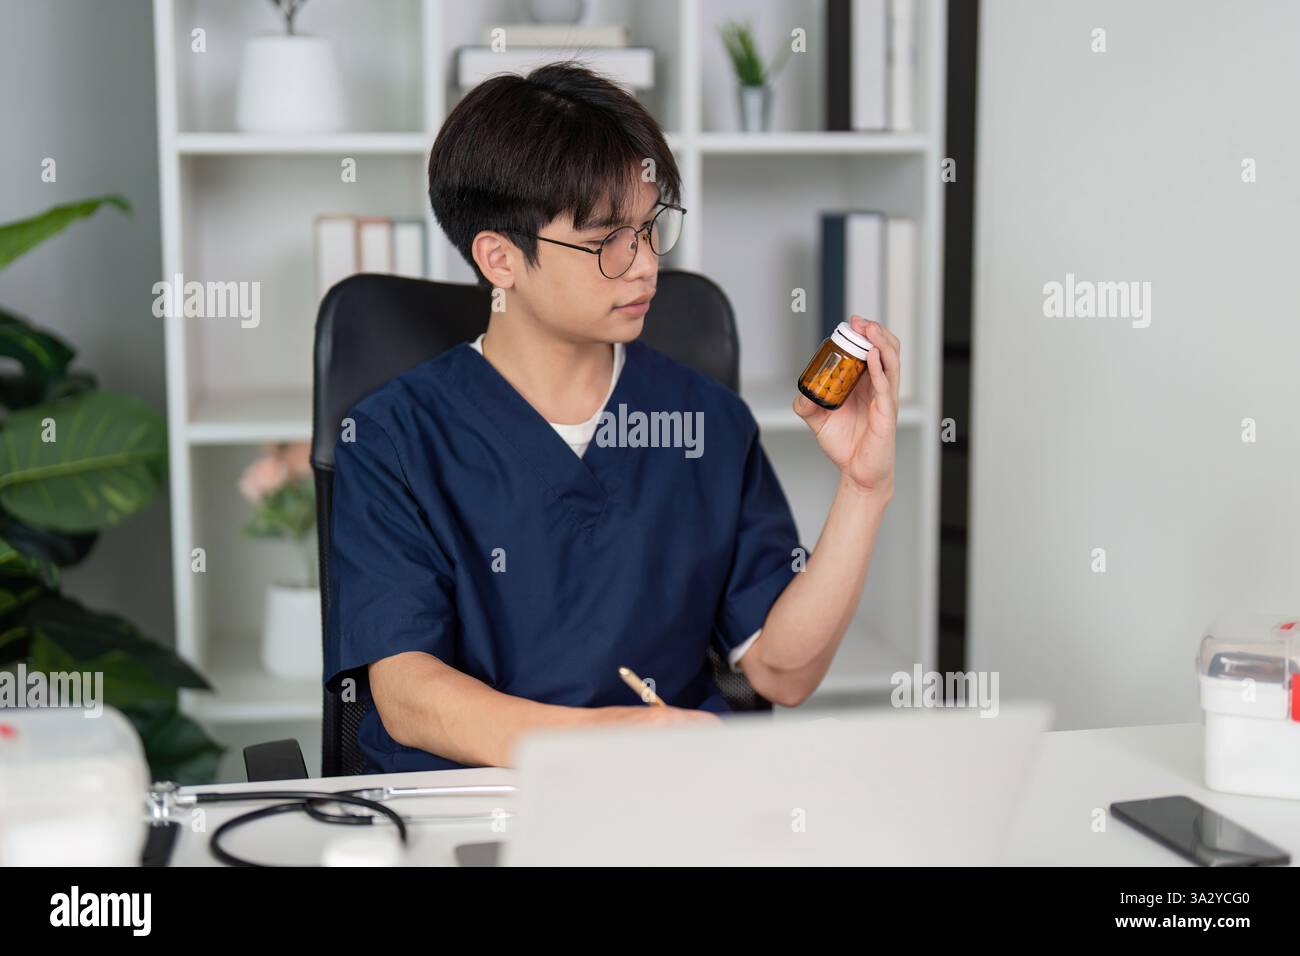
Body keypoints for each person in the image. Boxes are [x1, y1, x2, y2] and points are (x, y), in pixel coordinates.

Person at [324, 62, 901, 773]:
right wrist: (608, 745)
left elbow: (784, 674)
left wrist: (864, 490)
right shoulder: (394, 437)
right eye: (606, 240)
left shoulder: (707, 422)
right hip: (471, 803)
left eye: (651, 226)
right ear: (499, 258)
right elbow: (409, 697)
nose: (645, 265)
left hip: (666, 799)